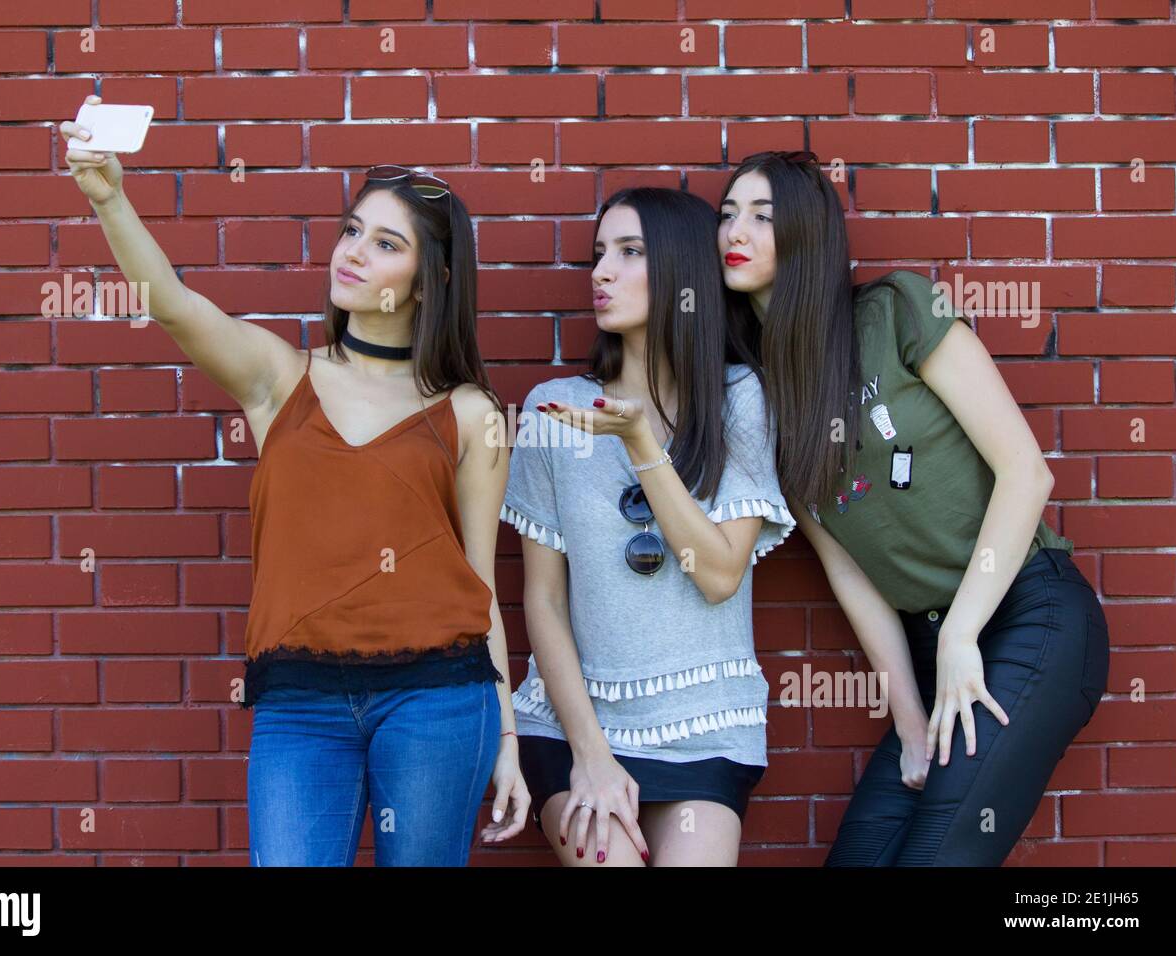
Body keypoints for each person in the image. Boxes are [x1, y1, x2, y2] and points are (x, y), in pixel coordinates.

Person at [59, 94, 530, 866]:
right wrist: (110, 198)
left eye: (385, 244)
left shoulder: (469, 411)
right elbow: (173, 307)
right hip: (298, 707)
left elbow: (480, 587)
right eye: (351, 232)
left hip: (440, 701)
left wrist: (508, 739)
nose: (352, 252)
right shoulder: (280, 379)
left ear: (426, 280)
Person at [717, 149, 1110, 865]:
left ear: (808, 233)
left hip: (1027, 615)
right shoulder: (764, 400)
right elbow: (850, 573)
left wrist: (963, 634)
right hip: (934, 654)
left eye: (762, 216)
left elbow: (1026, 472)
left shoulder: (896, 310)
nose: (734, 231)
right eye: (727, 214)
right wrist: (907, 719)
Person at [501, 186, 796, 866]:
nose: (601, 272)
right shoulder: (554, 410)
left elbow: (720, 574)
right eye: (599, 254)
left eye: (629, 253)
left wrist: (640, 441)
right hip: (576, 726)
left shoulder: (742, 401)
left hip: (707, 730)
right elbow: (543, 599)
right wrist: (591, 758)